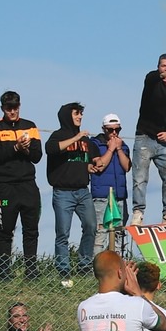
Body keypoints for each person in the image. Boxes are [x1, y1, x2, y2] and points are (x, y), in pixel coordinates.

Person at [0, 91, 44, 280]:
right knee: (4, 231)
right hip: (5, 186)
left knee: (31, 230)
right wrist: (15, 148)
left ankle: (31, 271)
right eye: (9, 107)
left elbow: (37, 156)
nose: (12, 111)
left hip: (28, 185)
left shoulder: (30, 126)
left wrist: (25, 149)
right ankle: (4, 272)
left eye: (15, 107)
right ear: (2, 108)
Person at [131, 53, 166, 226]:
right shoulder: (151, 80)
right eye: (163, 66)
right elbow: (152, 78)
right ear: (158, 67)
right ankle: (138, 212)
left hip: (164, 141)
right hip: (145, 137)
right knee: (140, 178)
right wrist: (161, 76)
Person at [46, 102, 97, 285]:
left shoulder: (86, 141)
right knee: (63, 233)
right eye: (76, 113)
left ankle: (84, 266)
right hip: (63, 193)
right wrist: (76, 138)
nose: (80, 117)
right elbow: (51, 149)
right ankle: (63, 270)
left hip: (83, 191)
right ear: (67, 115)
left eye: (81, 114)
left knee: (91, 226)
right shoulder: (58, 136)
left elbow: (93, 159)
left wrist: (96, 164)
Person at [90, 113, 131, 253]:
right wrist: (110, 149)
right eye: (110, 130)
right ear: (103, 129)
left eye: (117, 130)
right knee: (101, 232)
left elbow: (127, 167)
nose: (114, 133)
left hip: (119, 196)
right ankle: (98, 266)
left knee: (119, 233)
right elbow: (100, 166)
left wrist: (118, 149)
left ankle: (117, 265)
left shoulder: (123, 146)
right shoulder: (95, 143)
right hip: (101, 196)